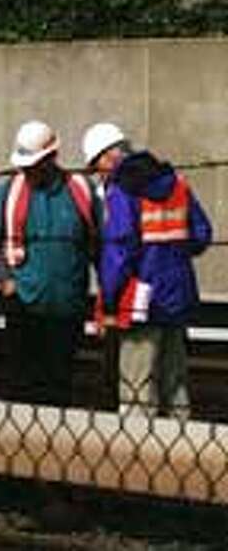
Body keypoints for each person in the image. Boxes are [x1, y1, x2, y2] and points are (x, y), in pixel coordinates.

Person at [82, 123, 212, 420]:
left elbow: (120, 250)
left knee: (137, 386)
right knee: (175, 383)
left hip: (140, 301)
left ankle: (135, 457)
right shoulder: (177, 182)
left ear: (109, 158)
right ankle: (183, 451)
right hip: (177, 296)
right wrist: (172, 257)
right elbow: (202, 234)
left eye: (95, 166)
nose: (97, 175)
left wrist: (110, 299)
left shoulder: (123, 189)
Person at [0, 120, 101, 407]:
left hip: (67, 310)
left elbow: (101, 245)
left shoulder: (80, 190)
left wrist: (105, 297)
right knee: (20, 386)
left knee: (59, 385)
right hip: (23, 306)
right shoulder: (9, 192)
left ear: (51, 159)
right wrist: (5, 280)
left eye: (33, 165)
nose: (28, 171)